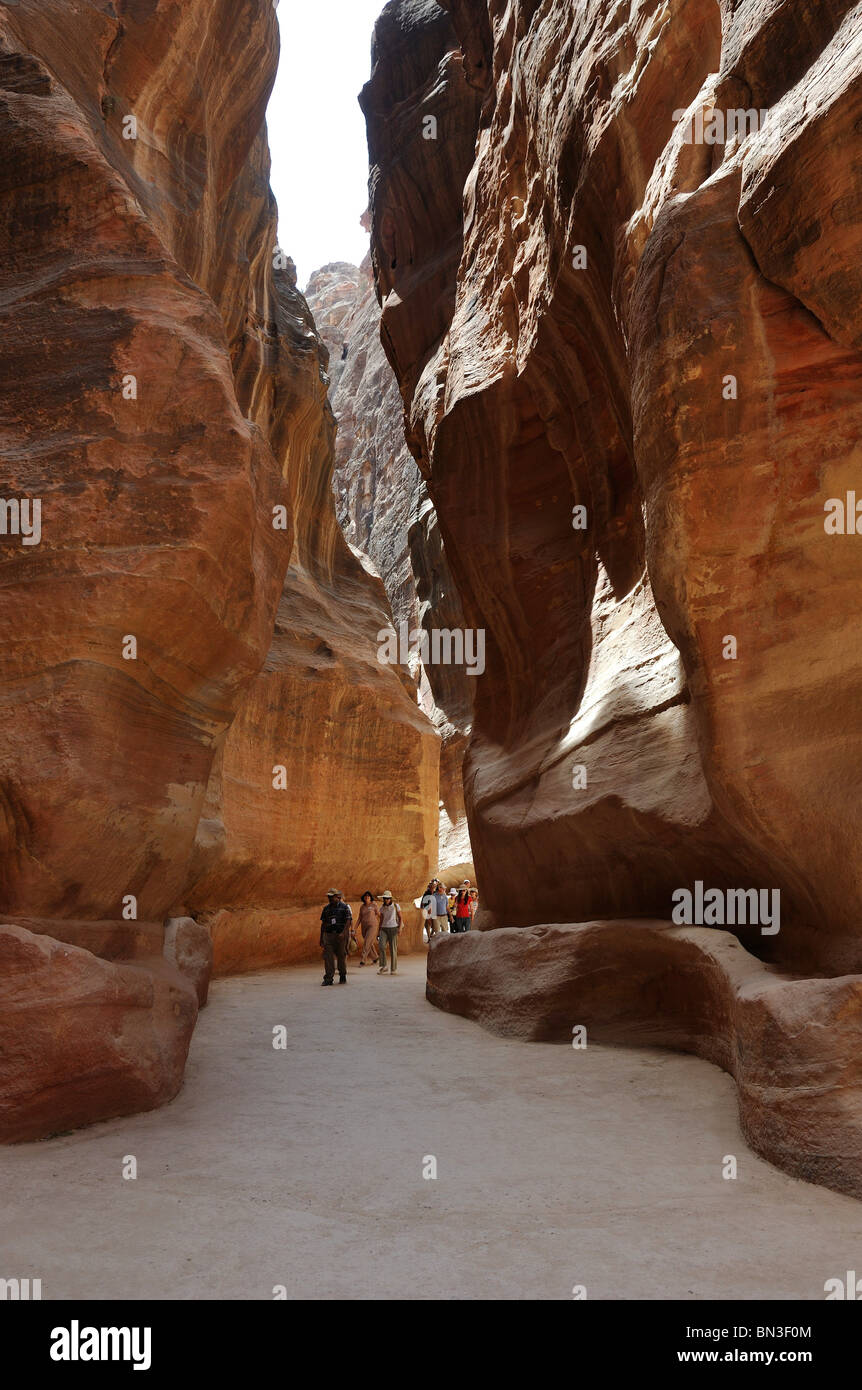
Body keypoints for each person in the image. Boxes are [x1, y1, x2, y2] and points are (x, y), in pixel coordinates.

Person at [319, 889, 352, 985]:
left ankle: (342, 974)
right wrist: (321, 938)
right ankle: (328, 978)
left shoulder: (344, 907)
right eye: (329, 897)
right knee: (328, 957)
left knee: (341, 956)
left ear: (337, 897)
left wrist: (344, 933)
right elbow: (323, 923)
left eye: (331, 896)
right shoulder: (326, 909)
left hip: (340, 936)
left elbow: (348, 921)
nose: (330, 898)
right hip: (328, 935)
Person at [377, 891, 403, 974]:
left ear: (390, 899)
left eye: (388, 898)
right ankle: (384, 966)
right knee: (381, 946)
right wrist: (379, 930)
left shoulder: (396, 906)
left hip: (393, 928)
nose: (386, 900)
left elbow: (400, 917)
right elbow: (381, 919)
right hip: (384, 929)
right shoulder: (382, 908)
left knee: (393, 949)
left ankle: (393, 968)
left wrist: (400, 928)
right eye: (385, 898)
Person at [358, 891, 381, 965]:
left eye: (368, 896)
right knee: (369, 943)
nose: (367, 897)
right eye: (365, 896)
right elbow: (359, 918)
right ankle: (375, 957)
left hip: (373, 926)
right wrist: (354, 928)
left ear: (370, 898)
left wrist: (382, 923)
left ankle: (363, 959)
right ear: (363, 898)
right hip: (364, 927)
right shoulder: (362, 907)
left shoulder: (374, 905)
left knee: (367, 942)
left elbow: (379, 914)